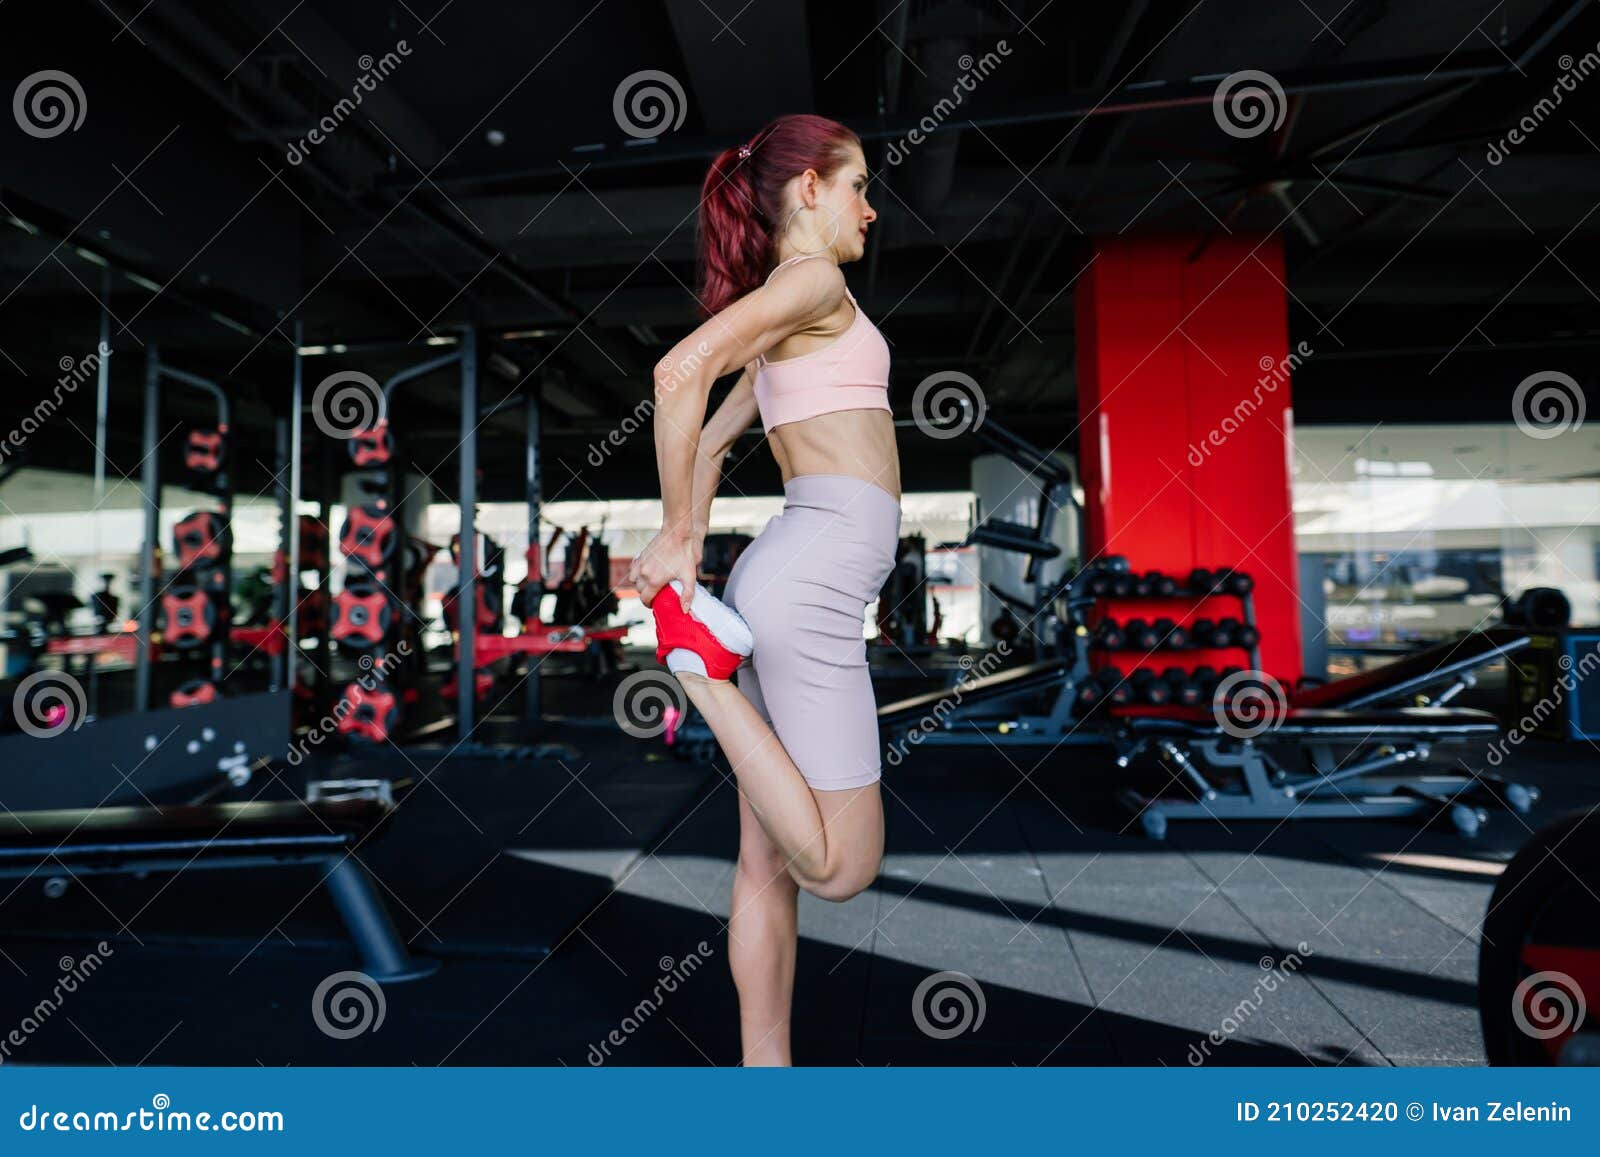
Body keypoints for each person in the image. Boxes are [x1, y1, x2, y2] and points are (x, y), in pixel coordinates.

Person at [626, 113, 897, 1067]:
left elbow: (708, 440)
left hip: (790, 569)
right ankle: (701, 672)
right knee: (842, 863)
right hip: (811, 581)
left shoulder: (792, 308)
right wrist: (674, 532)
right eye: (858, 182)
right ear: (810, 189)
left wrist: (683, 553)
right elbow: (679, 370)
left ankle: (764, 1083)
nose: (872, 205)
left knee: (765, 864)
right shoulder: (815, 281)